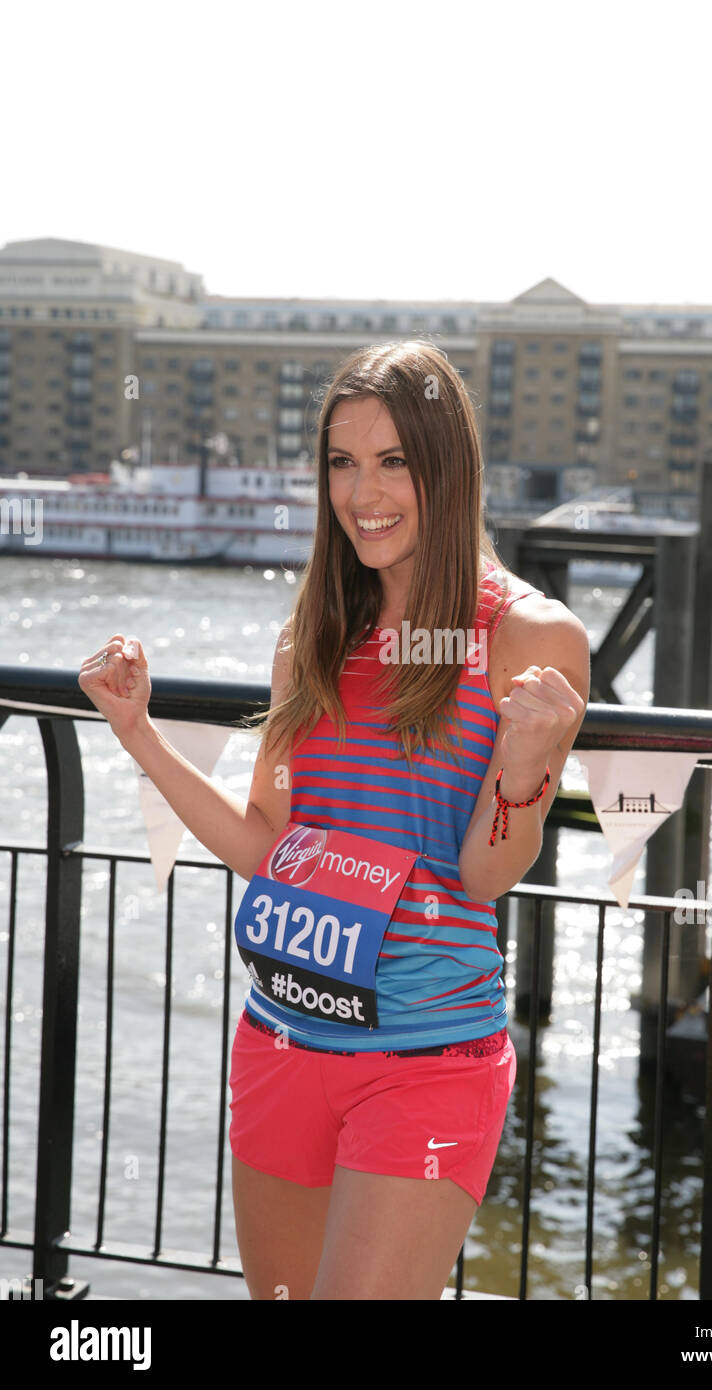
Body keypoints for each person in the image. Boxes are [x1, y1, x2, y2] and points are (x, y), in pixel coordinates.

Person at [78, 340, 589, 1300]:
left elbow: (482, 877)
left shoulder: (527, 635)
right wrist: (139, 734)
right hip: (278, 1037)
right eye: (342, 463)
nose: (365, 492)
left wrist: (524, 774)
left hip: (423, 1063)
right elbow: (267, 845)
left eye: (395, 460)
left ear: (449, 466)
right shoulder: (312, 629)